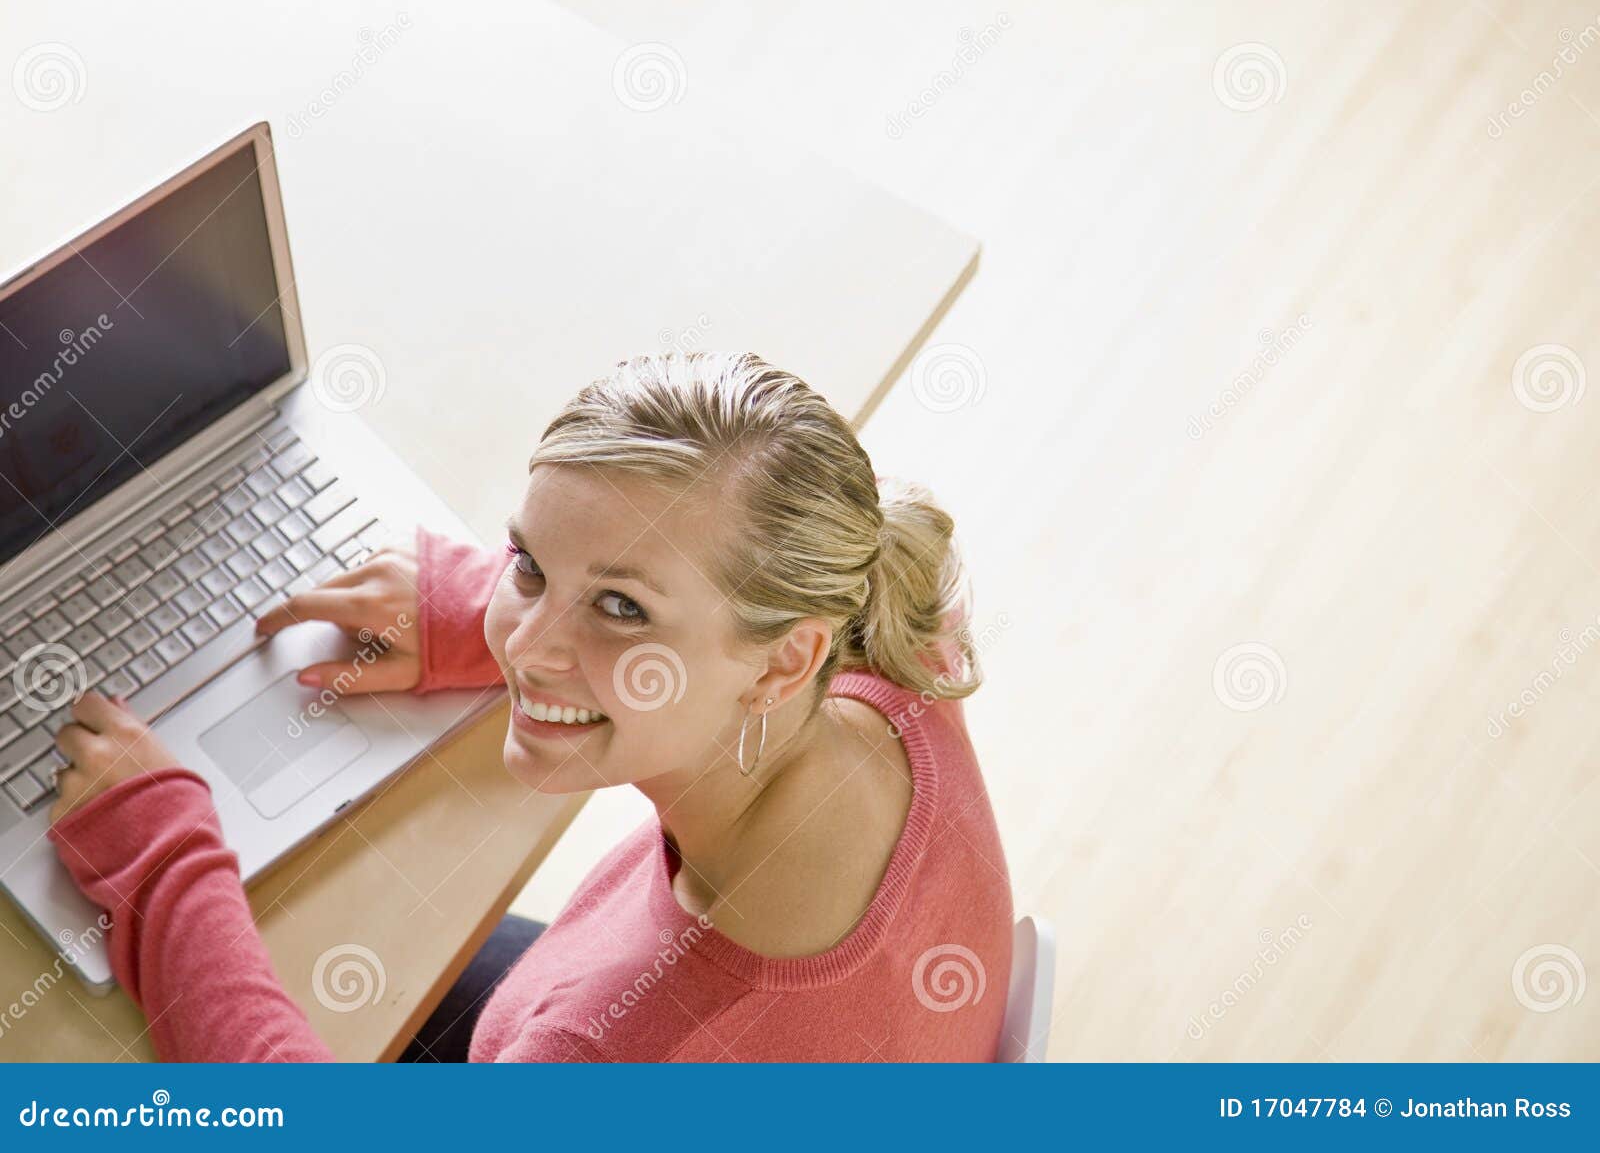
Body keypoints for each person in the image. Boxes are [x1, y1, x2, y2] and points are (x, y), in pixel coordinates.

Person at [45, 350, 1012, 1062]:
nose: (528, 645)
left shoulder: (601, 1051)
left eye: (622, 608)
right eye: (530, 565)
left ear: (782, 661)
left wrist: (162, 872)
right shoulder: (898, 647)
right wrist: (478, 609)